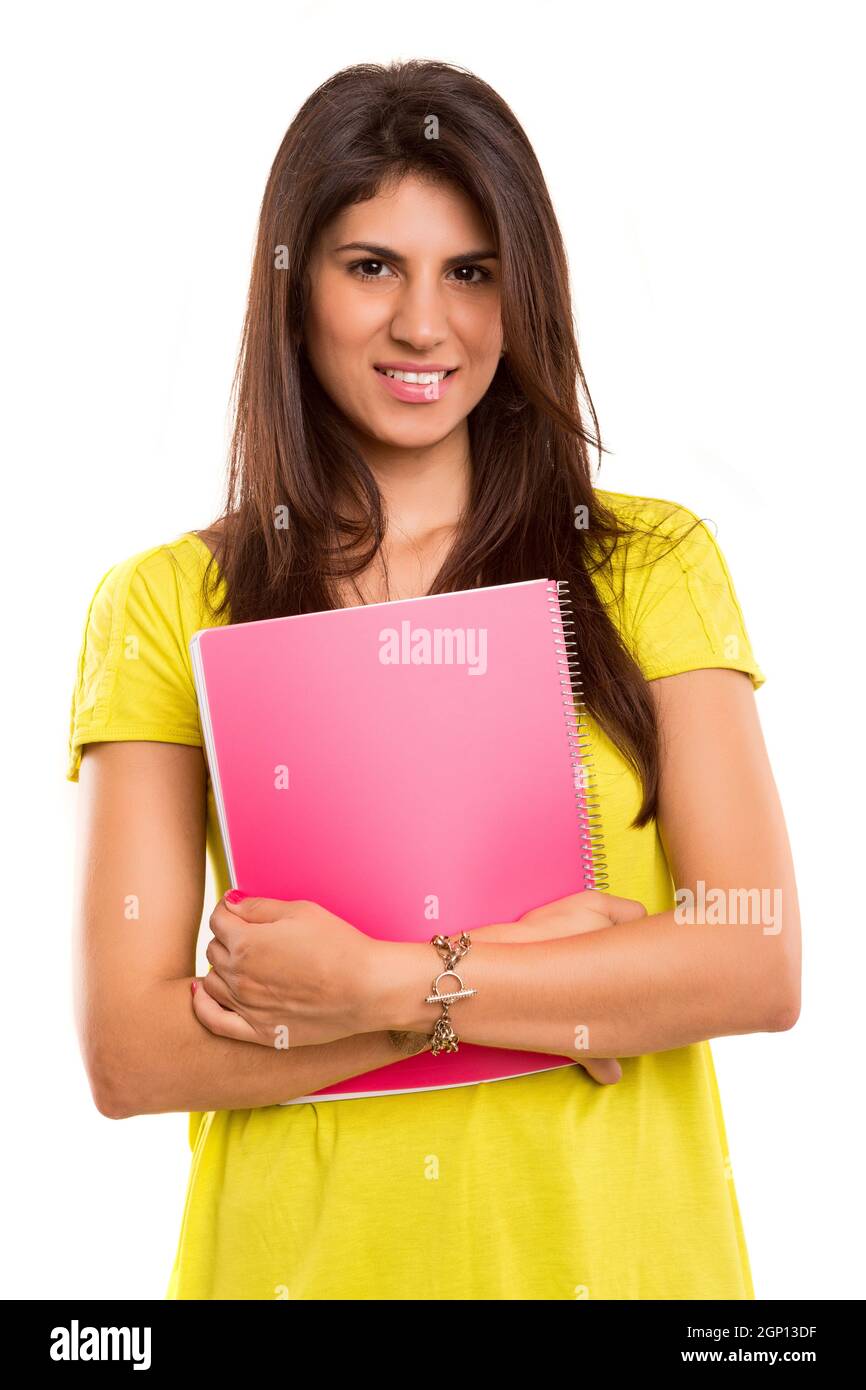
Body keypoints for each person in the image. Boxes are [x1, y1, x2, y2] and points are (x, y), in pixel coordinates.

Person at [66, 59, 800, 1300]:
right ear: (292, 290)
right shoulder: (163, 605)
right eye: (370, 267)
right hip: (302, 1268)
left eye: (469, 270)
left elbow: (752, 959)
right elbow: (133, 1054)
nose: (424, 324)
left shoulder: (647, 565)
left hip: (613, 1269)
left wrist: (372, 983)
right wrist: (547, 988)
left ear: (525, 294)